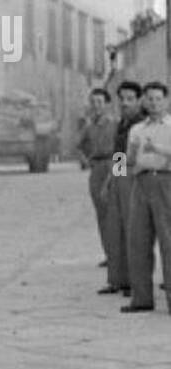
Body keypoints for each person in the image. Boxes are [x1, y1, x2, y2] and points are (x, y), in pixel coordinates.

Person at [121, 80, 171, 315]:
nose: (153, 103)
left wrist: (159, 152)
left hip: (166, 182)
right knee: (137, 240)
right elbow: (125, 156)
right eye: (149, 98)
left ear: (166, 100)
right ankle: (141, 299)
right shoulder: (135, 129)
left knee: (168, 241)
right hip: (140, 183)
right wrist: (118, 177)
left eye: (157, 98)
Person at [99, 80, 145, 296]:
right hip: (120, 177)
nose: (125, 103)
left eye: (130, 99)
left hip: (135, 178)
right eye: (122, 99)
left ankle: (133, 282)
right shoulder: (123, 123)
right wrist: (111, 180)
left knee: (132, 232)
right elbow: (118, 154)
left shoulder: (142, 124)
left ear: (139, 100)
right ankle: (117, 280)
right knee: (114, 229)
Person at [76, 87, 116, 264]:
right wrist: (85, 160)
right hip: (97, 168)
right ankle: (109, 254)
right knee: (101, 213)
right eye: (93, 102)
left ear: (108, 104)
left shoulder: (116, 124)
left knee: (116, 213)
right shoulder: (89, 126)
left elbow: (122, 150)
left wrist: (119, 174)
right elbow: (78, 146)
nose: (96, 105)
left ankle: (119, 255)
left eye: (100, 102)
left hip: (113, 165)